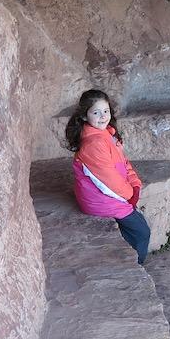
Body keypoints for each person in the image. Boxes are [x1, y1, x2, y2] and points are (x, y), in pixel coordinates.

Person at [64, 89, 151, 264]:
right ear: (84, 116)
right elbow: (108, 180)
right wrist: (129, 195)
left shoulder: (106, 134)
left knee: (136, 224)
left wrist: (135, 184)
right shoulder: (94, 143)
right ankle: (135, 266)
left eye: (106, 111)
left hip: (110, 194)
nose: (103, 116)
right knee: (141, 231)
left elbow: (124, 164)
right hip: (99, 198)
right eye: (96, 112)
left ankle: (130, 261)